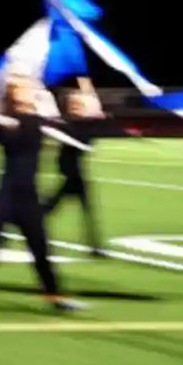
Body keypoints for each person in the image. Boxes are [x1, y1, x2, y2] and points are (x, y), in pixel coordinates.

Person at [0, 73, 86, 314]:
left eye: (29, 88)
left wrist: (84, 110)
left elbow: (71, 132)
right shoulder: (6, 123)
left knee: (41, 249)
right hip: (6, 194)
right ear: (13, 95)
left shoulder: (38, 120)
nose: (29, 90)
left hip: (29, 197)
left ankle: (55, 297)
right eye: (23, 88)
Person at [42, 83, 127, 257]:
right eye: (75, 105)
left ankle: (95, 246)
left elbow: (102, 125)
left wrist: (100, 115)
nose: (78, 107)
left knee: (77, 209)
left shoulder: (82, 123)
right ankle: (94, 246)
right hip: (71, 173)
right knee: (60, 208)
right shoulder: (70, 124)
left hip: (76, 174)